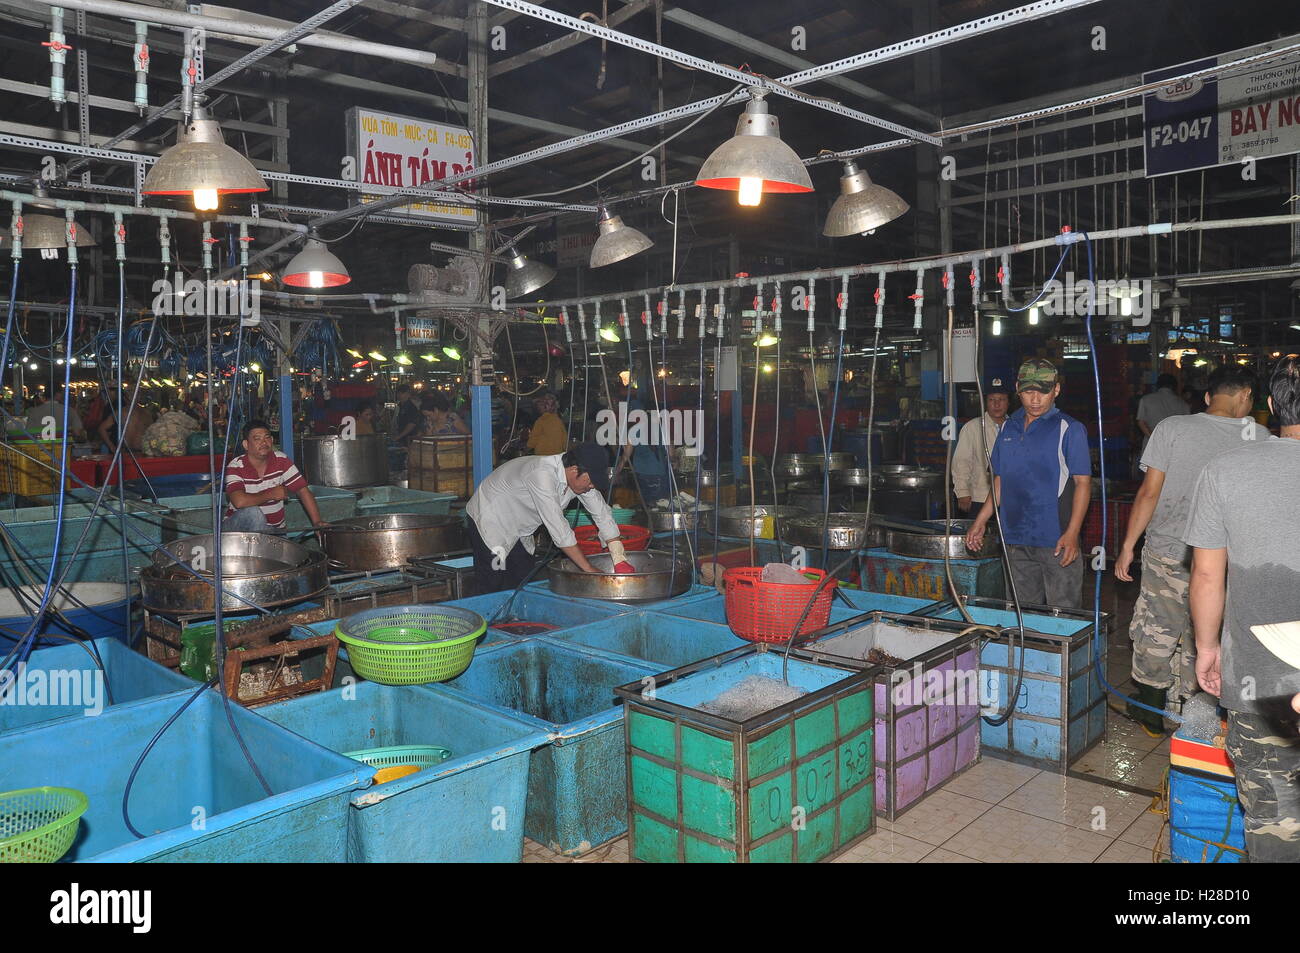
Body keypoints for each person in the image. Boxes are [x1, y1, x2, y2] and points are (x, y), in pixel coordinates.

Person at [1185, 356, 1300, 863]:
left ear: (1271, 406)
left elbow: (1207, 575)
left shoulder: (1226, 471)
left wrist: (1207, 649)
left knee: (1274, 822)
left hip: (1261, 683)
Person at [1114, 366, 1269, 734]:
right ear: (1245, 395)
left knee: (1156, 629)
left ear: (1206, 397)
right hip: (1226, 562)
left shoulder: (1171, 428)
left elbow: (1149, 493)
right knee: (1206, 634)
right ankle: (1194, 718)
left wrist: (1126, 547)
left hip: (1168, 552)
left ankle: (1150, 713)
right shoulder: (1258, 436)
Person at [965, 359, 1092, 608]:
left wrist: (1073, 533)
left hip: (1057, 540)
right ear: (1018, 389)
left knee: (1063, 616)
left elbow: (1083, 484)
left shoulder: (1070, 429)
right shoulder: (1008, 428)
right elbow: (1001, 478)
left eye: (1042, 392)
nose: (1035, 399)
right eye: (1028, 391)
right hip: (1015, 539)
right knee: (1024, 616)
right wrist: (980, 521)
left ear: (1056, 390)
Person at [465, 442, 629, 592]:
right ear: (574, 469)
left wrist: (619, 557)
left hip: (519, 527)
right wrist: (589, 569)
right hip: (491, 520)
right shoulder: (542, 475)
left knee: (521, 577)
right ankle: (482, 619)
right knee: (494, 578)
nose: (591, 487)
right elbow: (559, 529)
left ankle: (513, 621)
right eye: (590, 482)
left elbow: (602, 513)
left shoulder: (581, 478)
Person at [222, 420, 326, 533]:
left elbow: (303, 491)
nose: (263, 442)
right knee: (254, 513)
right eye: (257, 439)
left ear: (271, 440)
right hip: (235, 532)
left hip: (274, 533)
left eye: (267, 438)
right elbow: (239, 501)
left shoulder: (281, 460)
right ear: (246, 445)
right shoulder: (236, 465)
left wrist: (317, 522)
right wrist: (271, 494)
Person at [951, 379, 1010, 514]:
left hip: (1009, 499)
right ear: (985, 402)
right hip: (980, 497)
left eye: (1001, 399)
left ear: (1008, 402)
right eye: (991, 400)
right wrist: (962, 492)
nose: (996, 404)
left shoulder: (1016, 428)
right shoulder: (973, 427)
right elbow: (961, 461)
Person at [1136, 373, 1189, 452]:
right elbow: (1186, 428)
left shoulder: (1146, 399)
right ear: (1174, 386)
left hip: (1151, 448)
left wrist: (1154, 439)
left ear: (1158, 385)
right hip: (1173, 448)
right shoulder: (1184, 404)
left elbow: (1141, 422)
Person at [96, 386, 153, 454]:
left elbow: (101, 429)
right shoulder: (122, 412)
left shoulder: (146, 413)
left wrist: (112, 447)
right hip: (127, 453)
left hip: (142, 452)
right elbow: (101, 429)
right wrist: (112, 447)